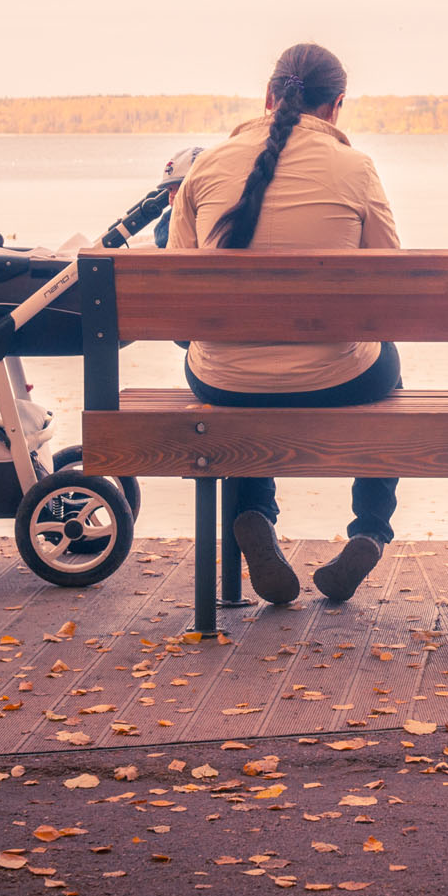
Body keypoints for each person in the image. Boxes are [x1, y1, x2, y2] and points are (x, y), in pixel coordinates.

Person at [166, 44, 402, 606]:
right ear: (337, 105)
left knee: (239, 380)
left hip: (223, 379)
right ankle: (369, 529)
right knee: (388, 370)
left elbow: (177, 308)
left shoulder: (207, 165)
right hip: (340, 378)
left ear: (268, 96)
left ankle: (253, 515)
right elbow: (394, 289)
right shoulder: (356, 168)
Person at [152, 146, 204, 247]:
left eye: (180, 187)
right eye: (170, 190)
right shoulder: (170, 217)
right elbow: (161, 239)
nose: (172, 195)